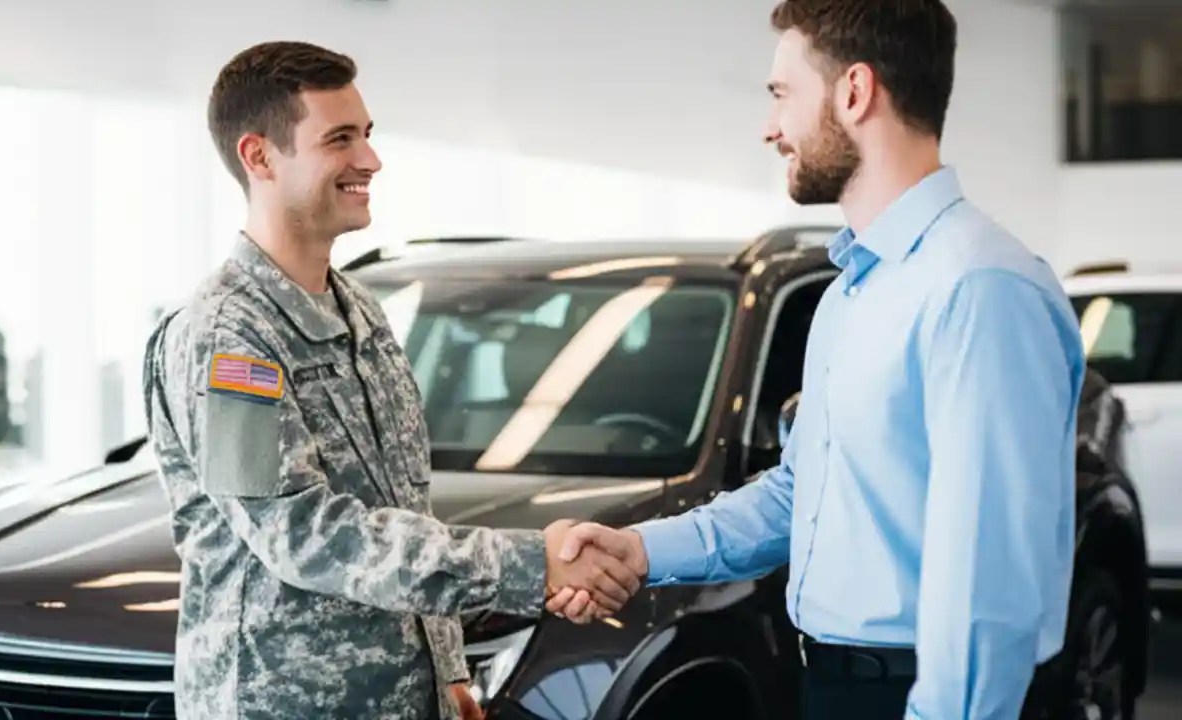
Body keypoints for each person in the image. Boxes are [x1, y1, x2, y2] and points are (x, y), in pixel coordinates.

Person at [547, 2, 1087, 718]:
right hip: (838, 685)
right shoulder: (852, 292)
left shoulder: (979, 289)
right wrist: (640, 551)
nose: (771, 128)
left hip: (923, 694)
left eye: (782, 95)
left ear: (854, 91)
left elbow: (990, 590)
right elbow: (802, 493)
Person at [141, 41, 639, 720]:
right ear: (259, 157)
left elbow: (404, 507)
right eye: (340, 139)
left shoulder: (360, 310)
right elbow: (302, 533)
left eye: (367, 135)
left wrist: (446, 670)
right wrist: (533, 563)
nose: (370, 159)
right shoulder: (226, 335)